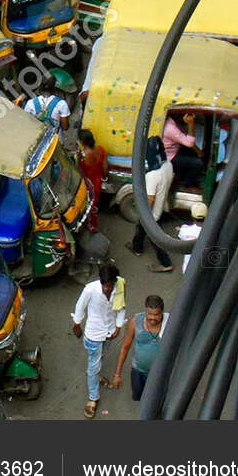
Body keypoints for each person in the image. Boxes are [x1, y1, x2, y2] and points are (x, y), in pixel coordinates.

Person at [71, 262, 125, 418]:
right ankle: (93, 398)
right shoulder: (90, 289)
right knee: (94, 365)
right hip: (93, 334)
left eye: (109, 285)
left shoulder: (120, 285)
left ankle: (95, 376)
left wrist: (118, 326)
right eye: (104, 285)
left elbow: (121, 308)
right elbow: (80, 306)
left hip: (109, 332)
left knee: (100, 358)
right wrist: (77, 324)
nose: (107, 289)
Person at [131, 134, 176, 271]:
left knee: (153, 236)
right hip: (161, 206)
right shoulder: (168, 165)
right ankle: (136, 247)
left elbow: (150, 199)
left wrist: (144, 215)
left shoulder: (152, 176)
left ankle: (166, 263)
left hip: (152, 214)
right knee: (140, 230)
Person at [112, 295, 168, 401]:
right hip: (139, 371)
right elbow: (125, 348)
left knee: (158, 398)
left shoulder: (170, 323)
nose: (152, 318)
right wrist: (117, 374)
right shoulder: (135, 322)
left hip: (160, 373)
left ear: (162, 312)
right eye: (149, 314)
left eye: (156, 315)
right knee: (139, 396)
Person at [162, 111, 204, 188]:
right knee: (198, 164)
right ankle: (188, 184)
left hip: (174, 149)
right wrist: (191, 123)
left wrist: (197, 150)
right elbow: (189, 142)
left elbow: (184, 138)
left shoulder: (170, 121)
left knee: (195, 153)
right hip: (169, 157)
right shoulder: (170, 128)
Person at [78, 130, 106, 232]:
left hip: (88, 184)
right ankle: (93, 223)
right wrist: (104, 178)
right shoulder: (101, 150)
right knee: (94, 204)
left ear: (82, 142)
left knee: (89, 205)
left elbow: (79, 171)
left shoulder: (84, 156)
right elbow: (105, 167)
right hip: (98, 182)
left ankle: (91, 225)